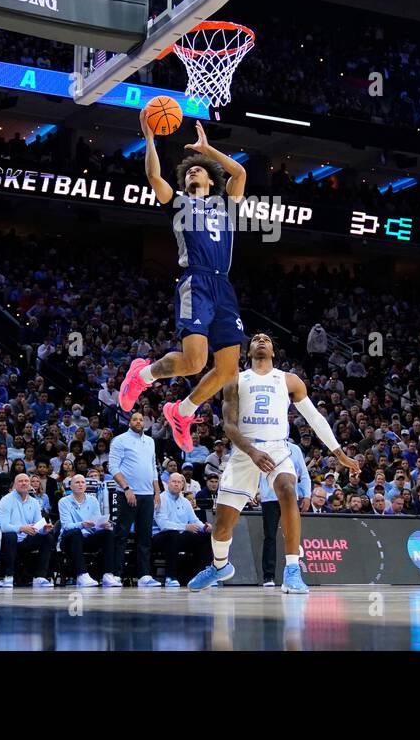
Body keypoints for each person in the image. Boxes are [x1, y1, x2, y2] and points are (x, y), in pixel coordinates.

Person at [189, 334, 359, 593]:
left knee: (288, 490)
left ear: (273, 351)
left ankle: (292, 569)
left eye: (266, 339)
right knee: (223, 524)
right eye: (255, 338)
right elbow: (229, 425)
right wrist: (252, 452)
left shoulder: (289, 380)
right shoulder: (235, 379)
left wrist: (339, 453)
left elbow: (314, 418)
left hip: (277, 446)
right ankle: (220, 565)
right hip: (245, 450)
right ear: (248, 353)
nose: (260, 340)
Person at [118, 118, 249, 451]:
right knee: (194, 362)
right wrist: (149, 137)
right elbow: (153, 177)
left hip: (224, 286)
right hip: (196, 280)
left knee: (228, 369)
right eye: (189, 170)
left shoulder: (226, 206)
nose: (193, 172)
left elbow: (240, 174)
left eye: (199, 170)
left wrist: (207, 151)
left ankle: (182, 411)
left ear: (210, 178)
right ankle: (142, 376)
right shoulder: (180, 202)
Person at [108, 411, 161, 587]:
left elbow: (153, 466)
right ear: (129, 422)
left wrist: (157, 491)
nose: (139, 422)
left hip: (147, 495)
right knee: (121, 534)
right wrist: (126, 488)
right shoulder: (120, 440)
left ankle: (144, 575)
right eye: (135, 419)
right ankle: (115, 574)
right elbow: (112, 466)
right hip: (127, 493)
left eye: (141, 419)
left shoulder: (150, 441)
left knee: (145, 537)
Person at [259, 439, 310, 587]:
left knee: (292, 535)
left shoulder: (295, 449)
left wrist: (306, 495)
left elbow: (304, 474)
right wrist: (254, 492)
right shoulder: (263, 446)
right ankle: (268, 577)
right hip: (269, 498)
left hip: (290, 498)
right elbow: (255, 472)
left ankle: (294, 573)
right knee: (269, 536)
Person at [57, 473, 121, 588]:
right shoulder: (63, 501)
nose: (80, 485)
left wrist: (102, 525)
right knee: (75, 532)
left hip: (88, 537)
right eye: (77, 482)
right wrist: (81, 524)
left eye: (82, 482)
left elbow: (96, 522)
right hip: (69, 539)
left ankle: (108, 574)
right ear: (71, 487)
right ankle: (82, 575)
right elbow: (66, 526)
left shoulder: (93, 500)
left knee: (108, 533)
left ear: (86, 486)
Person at [0, 472, 55, 588]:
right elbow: (5, 527)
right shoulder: (6, 500)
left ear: (30, 484)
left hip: (26, 539)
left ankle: (40, 576)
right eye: (20, 481)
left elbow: (37, 525)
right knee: (11, 535)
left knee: (47, 537)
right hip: (6, 540)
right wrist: (22, 528)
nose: (24, 483)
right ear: (15, 485)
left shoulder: (34, 502)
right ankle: (8, 576)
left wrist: (44, 529)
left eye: (26, 481)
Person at [152, 471, 211, 587]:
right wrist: (185, 527)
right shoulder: (160, 499)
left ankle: (201, 576)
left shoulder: (185, 502)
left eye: (179, 482)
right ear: (168, 483)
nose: (176, 484)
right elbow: (163, 525)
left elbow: (194, 521)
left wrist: (204, 527)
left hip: (180, 535)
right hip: (160, 536)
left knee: (206, 537)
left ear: (182, 486)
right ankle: (170, 577)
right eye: (173, 481)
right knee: (173, 535)